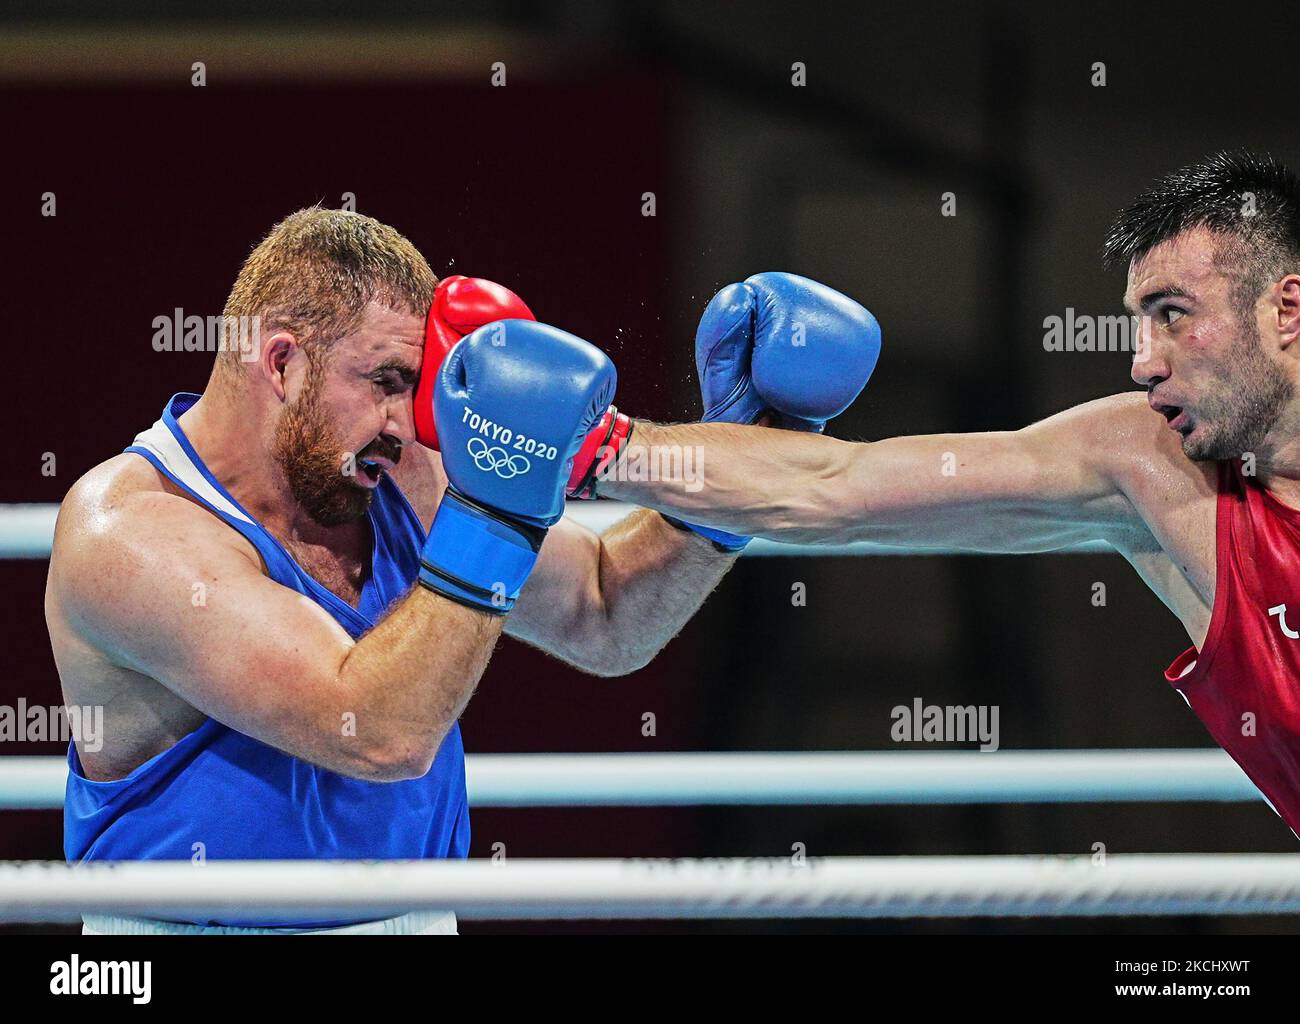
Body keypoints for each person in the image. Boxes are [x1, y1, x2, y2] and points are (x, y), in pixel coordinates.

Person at [43, 207, 879, 933]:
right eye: (387, 381)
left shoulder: (393, 470)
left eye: (422, 385)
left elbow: (602, 610)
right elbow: (376, 729)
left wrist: (727, 481)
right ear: (282, 362)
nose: (408, 422)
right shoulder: (130, 530)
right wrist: (495, 510)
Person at [596, 151, 1300, 839]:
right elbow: (834, 485)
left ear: (1287, 310)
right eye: (1138, 321)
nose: (1142, 360)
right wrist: (588, 445)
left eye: (1173, 313)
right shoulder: (1156, 462)